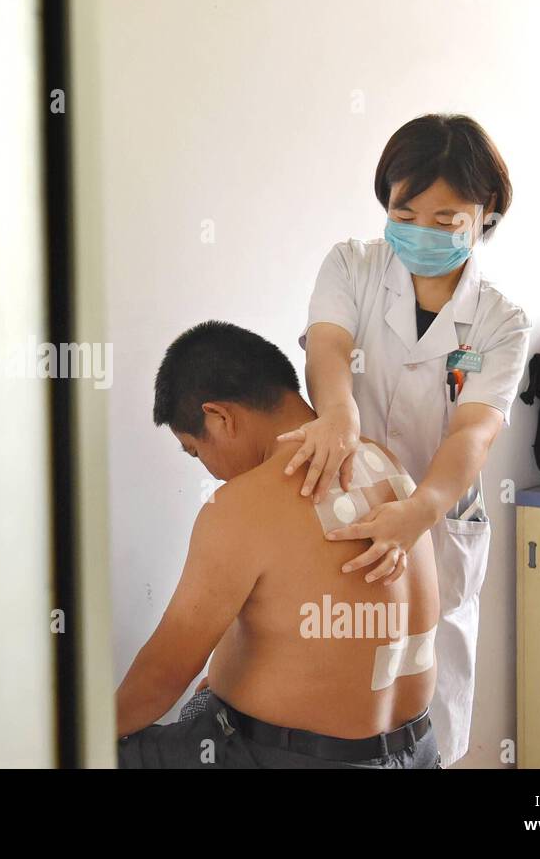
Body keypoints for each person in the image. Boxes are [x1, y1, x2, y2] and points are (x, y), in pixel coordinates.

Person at [281, 114, 531, 765]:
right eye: (405, 211)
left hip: (438, 526)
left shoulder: (499, 321)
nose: (421, 232)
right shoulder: (353, 267)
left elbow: (473, 430)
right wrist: (338, 412)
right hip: (347, 515)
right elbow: (329, 343)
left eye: (446, 219)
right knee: (342, 708)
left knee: (431, 713)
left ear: (487, 212)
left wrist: (421, 510)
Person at [116, 322, 439, 769]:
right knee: (204, 705)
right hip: (418, 750)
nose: (207, 469)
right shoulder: (387, 464)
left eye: (195, 450)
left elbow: (158, 682)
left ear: (220, 417)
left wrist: (72, 736)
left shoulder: (239, 507)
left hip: (291, 758)